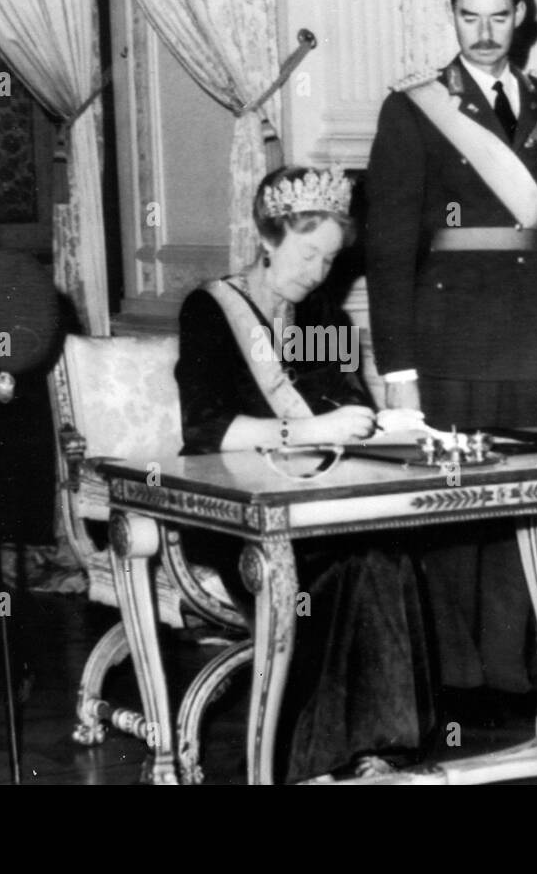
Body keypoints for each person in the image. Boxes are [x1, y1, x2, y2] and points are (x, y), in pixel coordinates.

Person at [365, 0, 537, 720]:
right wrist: (397, 366)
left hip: (533, 334)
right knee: (451, 511)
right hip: (449, 334)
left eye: (500, 17)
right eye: (470, 17)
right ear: (452, 15)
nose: (486, 33)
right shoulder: (414, 109)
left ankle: (516, 672)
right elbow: (388, 244)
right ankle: (452, 680)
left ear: (523, 15)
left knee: (525, 503)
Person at [174, 165, 435, 783]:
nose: (317, 272)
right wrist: (311, 431)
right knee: (349, 569)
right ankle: (305, 763)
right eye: (307, 252)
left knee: (385, 555)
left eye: (329, 259)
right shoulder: (210, 310)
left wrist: (376, 425)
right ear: (269, 237)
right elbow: (207, 430)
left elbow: (352, 410)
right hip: (235, 512)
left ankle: (381, 755)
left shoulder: (325, 324)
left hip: (317, 504)